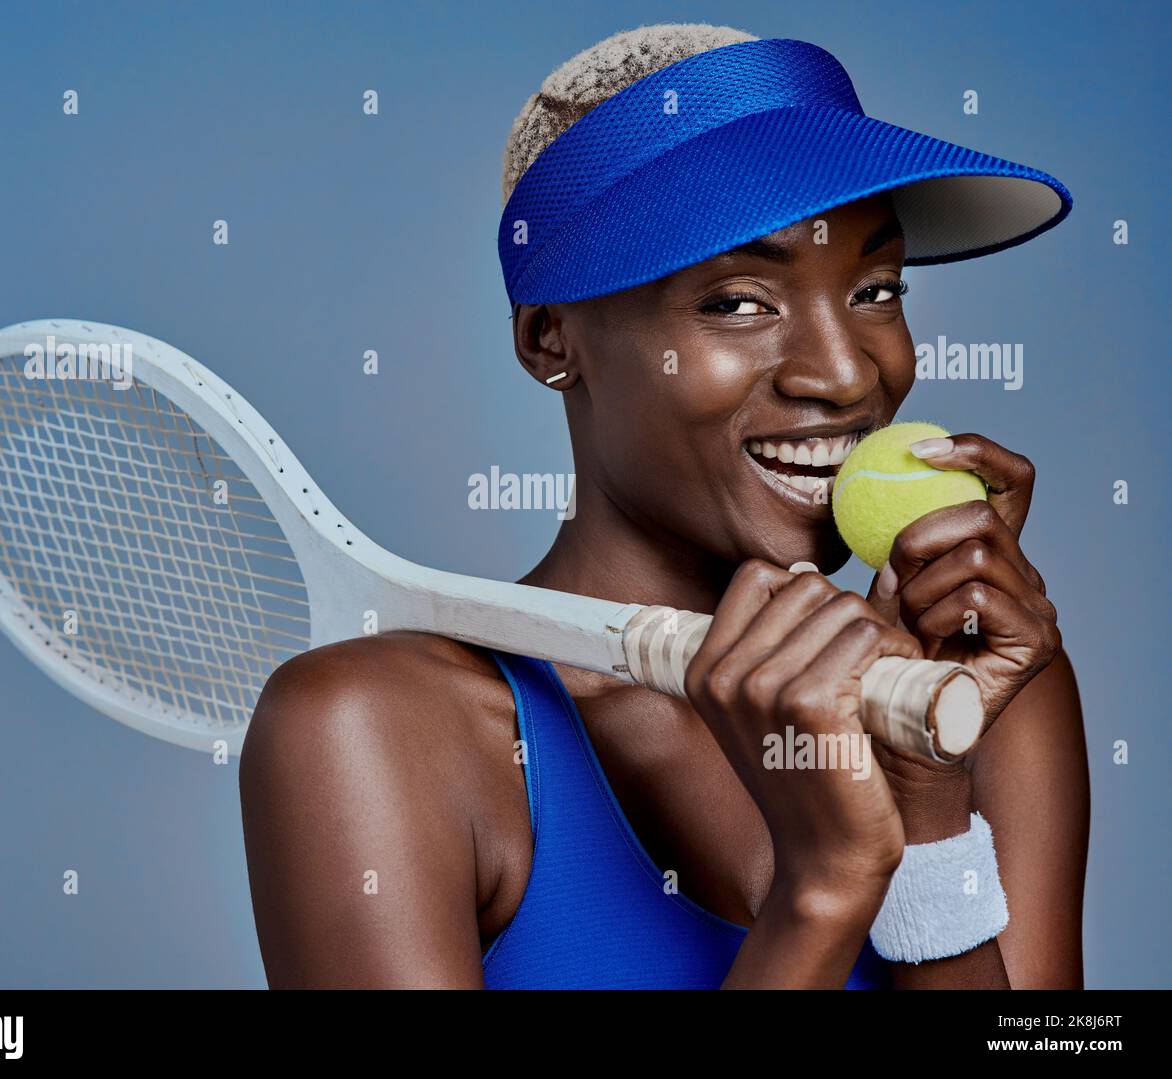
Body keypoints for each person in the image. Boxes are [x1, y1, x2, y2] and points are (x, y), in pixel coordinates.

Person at [239, 23, 1088, 989]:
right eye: (736, 302)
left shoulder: (973, 690)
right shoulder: (379, 730)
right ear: (552, 337)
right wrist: (827, 886)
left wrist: (930, 816)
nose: (847, 372)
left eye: (875, 288)